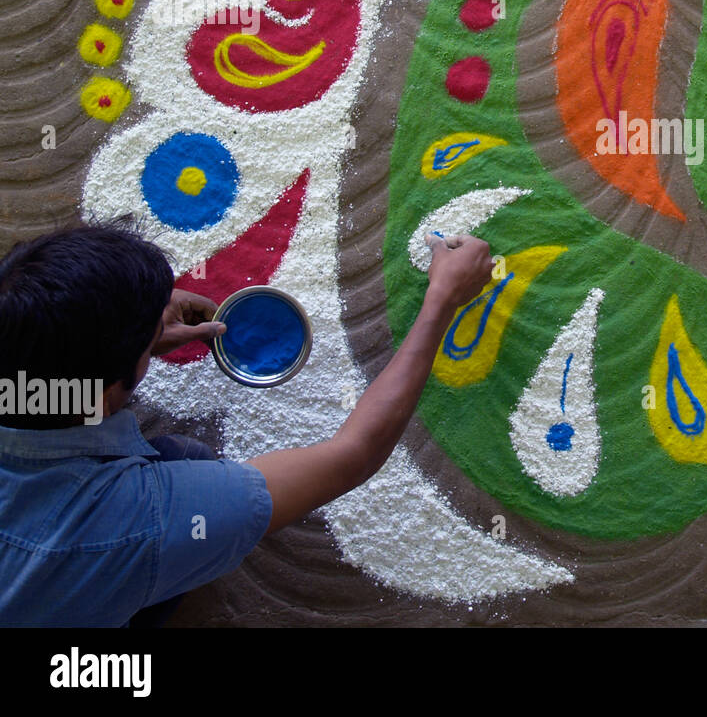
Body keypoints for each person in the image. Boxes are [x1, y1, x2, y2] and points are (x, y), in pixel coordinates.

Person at [0, 220, 492, 628]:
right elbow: (353, 454)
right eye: (148, 331)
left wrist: (131, 350)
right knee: (186, 462)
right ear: (110, 385)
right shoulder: (145, 519)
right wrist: (441, 302)